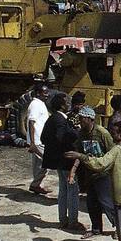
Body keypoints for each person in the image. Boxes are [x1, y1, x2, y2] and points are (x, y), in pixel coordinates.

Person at [70, 106, 115, 238]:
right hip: (89, 174)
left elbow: (112, 153)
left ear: (90, 119)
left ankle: (118, 227)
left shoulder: (102, 133)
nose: (80, 121)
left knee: (107, 202)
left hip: (103, 173)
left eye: (82, 118)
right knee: (92, 203)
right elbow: (79, 154)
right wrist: (73, 172)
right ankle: (96, 229)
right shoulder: (81, 134)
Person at [40, 92, 82, 231]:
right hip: (66, 160)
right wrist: (75, 133)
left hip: (58, 160)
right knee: (72, 190)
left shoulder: (53, 118)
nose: (69, 104)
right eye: (67, 102)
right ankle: (72, 221)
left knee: (63, 190)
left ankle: (63, 219)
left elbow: (44, 138)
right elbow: (61, 138)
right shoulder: (61, 120)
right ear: (62, 105)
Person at [25, 81, 51, 195]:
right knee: (47, 161)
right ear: (38, 93)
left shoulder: (40, 103)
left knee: (38, 164)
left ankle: (37, 185)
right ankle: (35, 184)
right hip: (37, 140)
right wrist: (32, 143)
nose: (47, 95)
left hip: (39, 139)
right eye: (44, 92)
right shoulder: (35, 104)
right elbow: (31, 122)